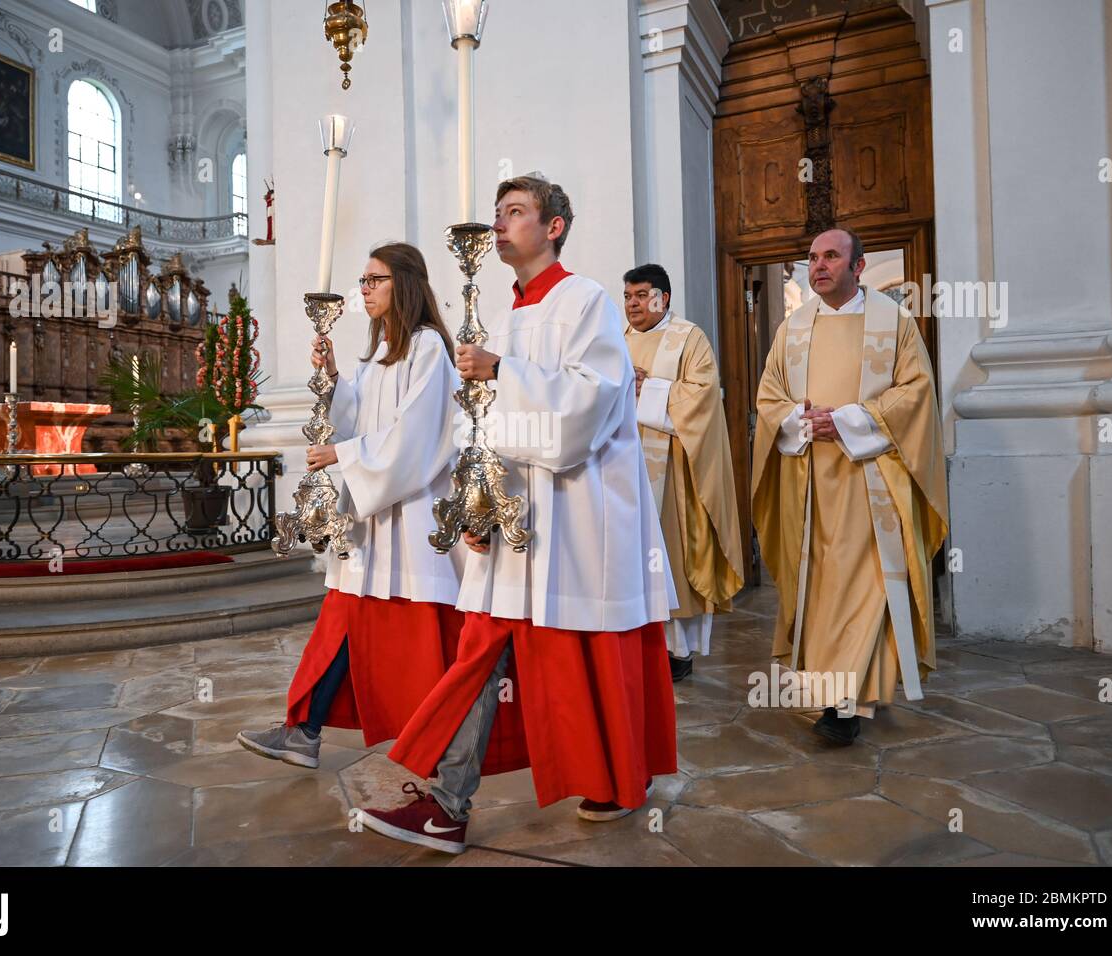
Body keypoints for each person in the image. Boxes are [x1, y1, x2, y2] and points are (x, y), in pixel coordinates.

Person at [355, 175, 678, 855]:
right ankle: (449, 798)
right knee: (486, 645)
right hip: (516, 515)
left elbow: (590, 406)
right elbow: (477, 421)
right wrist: (479, 498)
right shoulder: (501, 318)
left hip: (578, 510)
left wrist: (503, 371)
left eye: (515, 213)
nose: (499, 225)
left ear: (554, 226)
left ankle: (488, 795)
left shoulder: (584, 300)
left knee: (563, 646)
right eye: (497, 215)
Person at [237, 242, 465, 767]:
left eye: (375, 280)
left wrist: (343, 452)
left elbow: (419, 435)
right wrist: (337, 379)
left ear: (404, 284)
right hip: (370, 515)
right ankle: (305, 729)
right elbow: (358, 414)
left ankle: (438, 744)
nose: (364, 290)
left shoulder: (427, 346)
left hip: (409, 514)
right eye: (362, 281)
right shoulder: (381, 351)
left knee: (410, 635)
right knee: (340, 624)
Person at [751, 228, 948, 745]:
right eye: (813, 258)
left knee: (868, 584)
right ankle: (844, 690)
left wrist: (852, 420)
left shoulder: (895, 323)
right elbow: (768, 395)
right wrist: (798, 419)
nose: (819, 266)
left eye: (832, 256)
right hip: (810, 479)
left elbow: (917, 392)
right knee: (822, 585)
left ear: (858, 268)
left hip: (871, 477)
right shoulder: (792, 328)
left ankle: (845, 703)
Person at [623, 263, 745, 682]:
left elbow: (703, 397)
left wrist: (647, 387)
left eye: (641, 295)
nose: (633, 304)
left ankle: (677, 649)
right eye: (627, 297)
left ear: (664, 298)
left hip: (672, 470)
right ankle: (634, 639)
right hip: (623, 470)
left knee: (670, 557)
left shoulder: (688, 338)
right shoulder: (615, 342)